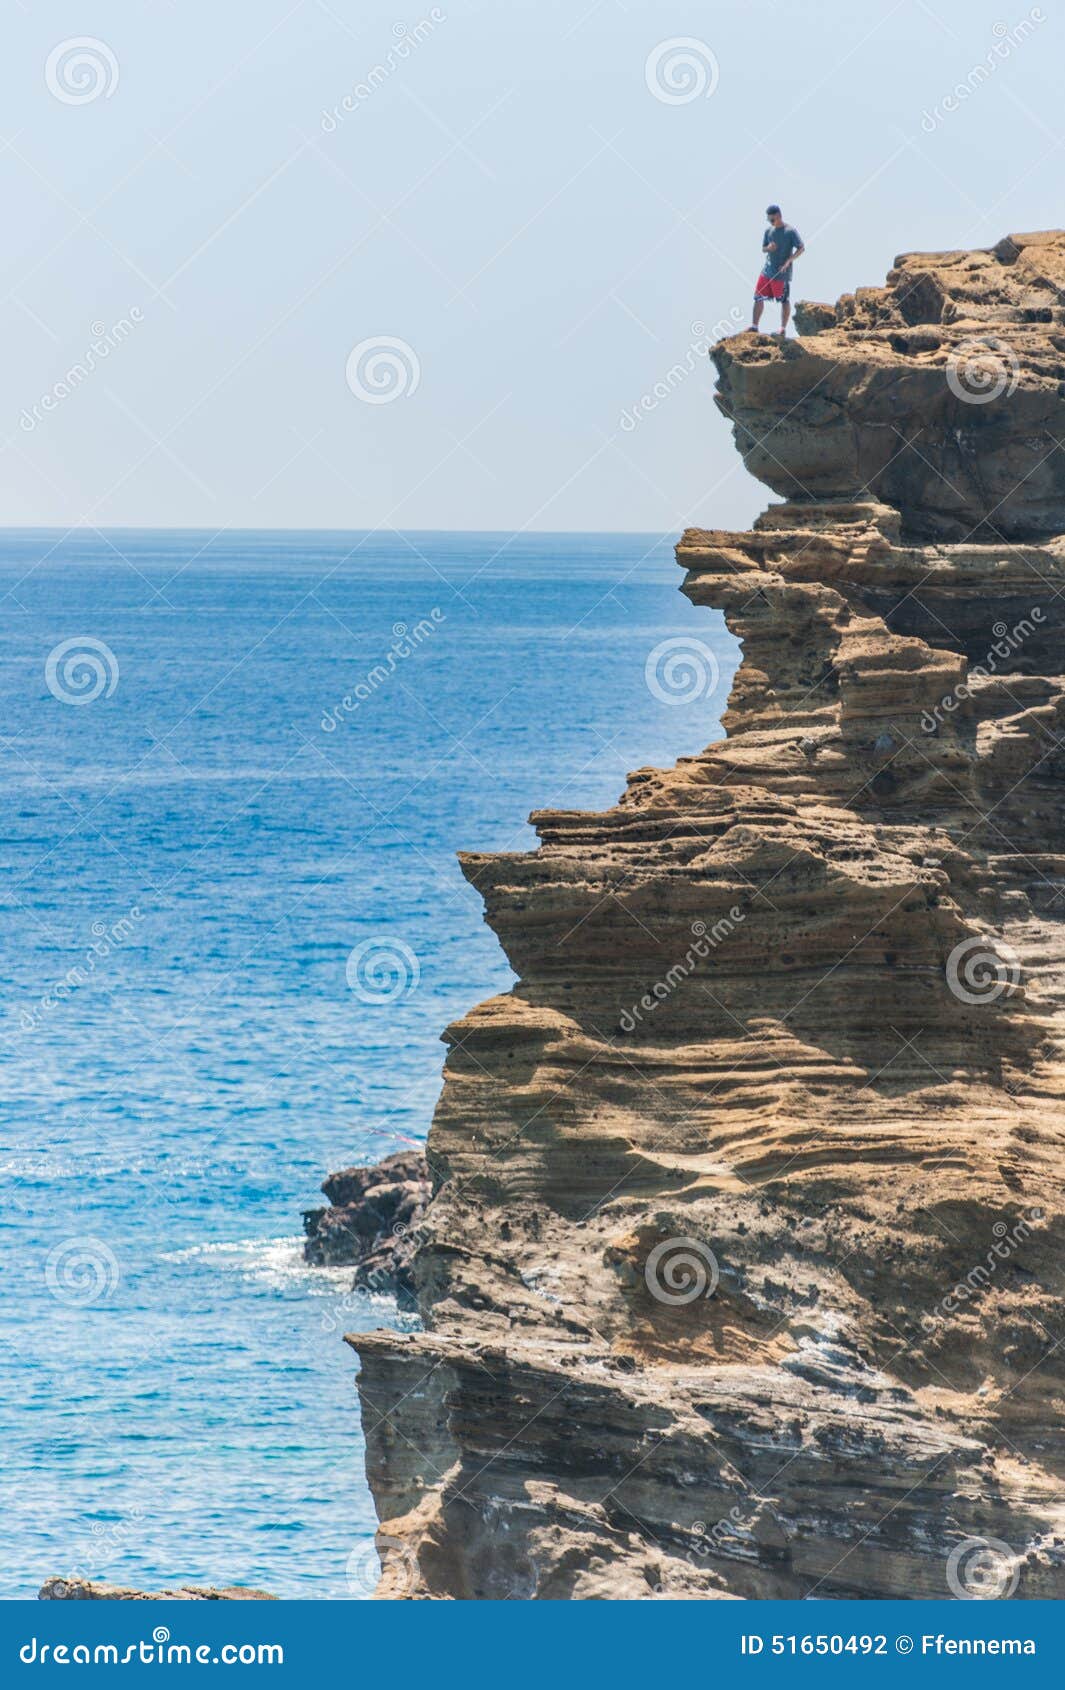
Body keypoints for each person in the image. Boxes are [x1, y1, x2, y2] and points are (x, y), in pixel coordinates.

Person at [751, 205, 804, 336]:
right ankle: (754, 326)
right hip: (767, 271)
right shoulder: (768, 231)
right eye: (769, 220)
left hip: (782, 274)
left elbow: (801, 248)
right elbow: (763, 248)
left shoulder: (790, 231)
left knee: (784, 300)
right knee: (758, 297)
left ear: (779, 215)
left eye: (773, 220)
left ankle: (782, 329)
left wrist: (788, 261)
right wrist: (768, 248)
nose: (771, 223)